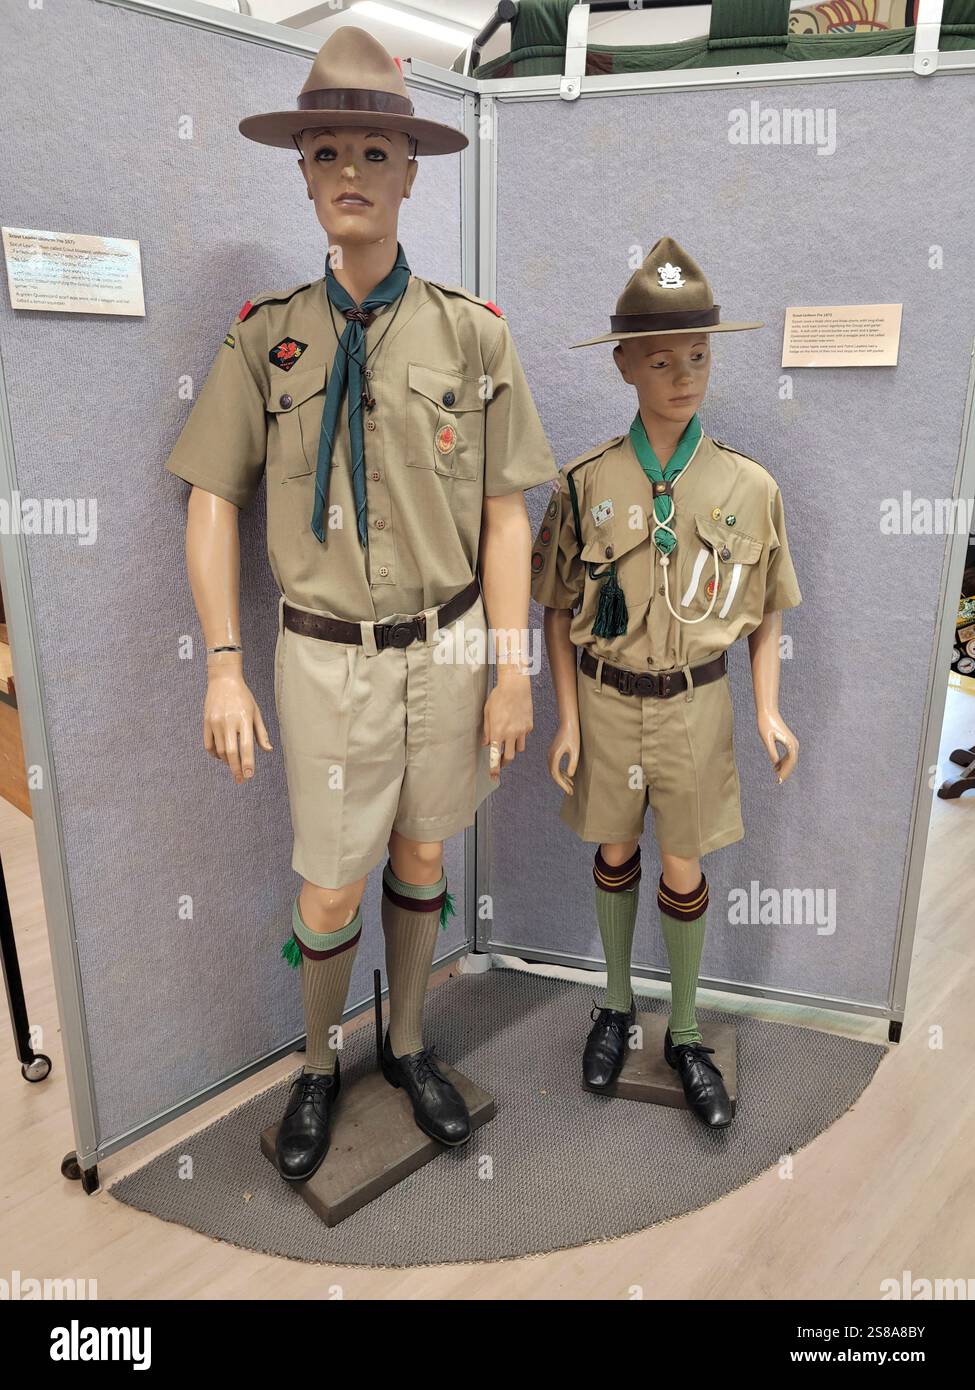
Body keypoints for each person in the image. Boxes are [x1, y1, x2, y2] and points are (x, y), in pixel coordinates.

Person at [166, 28, 557, 1181]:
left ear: (409, 173)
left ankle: (410, 1041)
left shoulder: (472, 334)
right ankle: (316, 1062)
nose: (351, 171)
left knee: (425, 853)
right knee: (331, 878)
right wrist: (224, 662)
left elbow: (505, 516)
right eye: (327, 150)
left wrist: (515, 669)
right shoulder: (266, 339)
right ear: (302, 171)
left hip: (448, 649)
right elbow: (210, 498)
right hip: (325, 658)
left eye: (375, 152)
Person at [531, 236, 802, 1128]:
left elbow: (767, 609)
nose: (682, 377)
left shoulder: (748, 486)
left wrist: (767, 709)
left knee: (682, 861)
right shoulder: (583, 484)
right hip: (607, 702)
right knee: (614, 850)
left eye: (697, 356)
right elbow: (556, 610)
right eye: (659, 360)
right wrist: (566, 720)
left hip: (695, 704)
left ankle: (684, 1032)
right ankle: (614, 1008)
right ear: (623, 366)